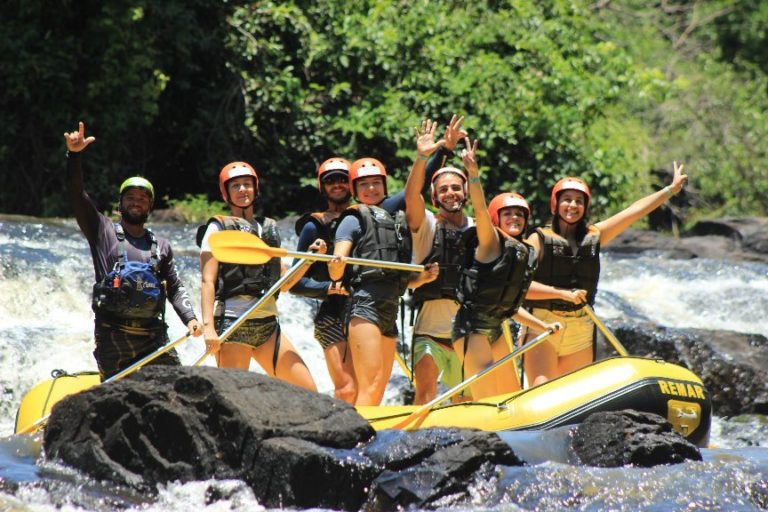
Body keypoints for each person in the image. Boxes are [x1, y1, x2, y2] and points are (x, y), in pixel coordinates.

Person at [523, 163, 689, 385]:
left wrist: (670, 190)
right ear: (555, 204)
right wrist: (561, 294)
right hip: (542, 325)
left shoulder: (595, 235)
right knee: (541, 388)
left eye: (579, 201)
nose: (573, 205)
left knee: (573, 395)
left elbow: (634, 211)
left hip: (581, 326)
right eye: (567, 199)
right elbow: (520, 287)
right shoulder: (538, 240)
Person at [63, 121, 202, 380]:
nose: (136, 203)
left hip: (153, 336)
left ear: (150, 207)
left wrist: (190, 319)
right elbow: (75, 193)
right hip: (113, 336)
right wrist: (74, 155)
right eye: (130, 198)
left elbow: (174, 287)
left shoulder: (161, 246)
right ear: (120, 204)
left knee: (176, 391)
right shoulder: (101, 231)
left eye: (142, 199)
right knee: (116, 403)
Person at [452, 137, 560, 399]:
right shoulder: (490, 242)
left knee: (512, 395)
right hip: (472, 328)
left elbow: (511, 307)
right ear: (497, 219)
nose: (515, 218)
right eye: (508, 214)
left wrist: (541, 326)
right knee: (489, 397)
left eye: (520, 214)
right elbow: (478, 208)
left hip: (496, 328)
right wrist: (473, 175)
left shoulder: (523, 253)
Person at [199, 161, 316, 392]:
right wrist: (208, 328)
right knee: (234, 400)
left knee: (308, 391)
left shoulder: (268, 229)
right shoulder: (217, 229)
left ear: (256, 189)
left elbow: (285, 283)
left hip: (268, 325)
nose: (243, 190)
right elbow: (207, 281)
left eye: (247, 185)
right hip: (233, 324)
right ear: (226, 193)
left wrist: (309, 258)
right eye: (236, 186)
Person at [328, 158, 411, 406]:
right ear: (354, 190)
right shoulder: (352, 218)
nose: (371, 189)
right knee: (370, 384)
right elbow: (336, 270)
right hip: (365, 305)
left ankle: (368, 435)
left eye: (376, 183)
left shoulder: (393, 217)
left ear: (384, 187)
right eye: (364, 184)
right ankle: (359, 442)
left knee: (378, 390)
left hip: (390, 306)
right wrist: (337, 263)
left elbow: (415, 186)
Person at [405, 116, 475, 405]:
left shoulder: (477, 228)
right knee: (425, 397)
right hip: (429, 333)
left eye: (456, 188)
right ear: (434, 197)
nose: (450, 193)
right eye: (443, 189)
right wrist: (423, 158)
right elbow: (411, 197)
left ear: (466, 192)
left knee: (466, 400)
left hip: (466, 333)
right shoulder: (427, 226)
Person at [288, 157, 356, 403]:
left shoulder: (366, 218)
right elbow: (293, 282)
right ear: (322, 187)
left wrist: (437, 153)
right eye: (330, 180)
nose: (337, 185)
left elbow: (405, 197)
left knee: (368, 385)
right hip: (331, 317)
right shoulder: (313, 227)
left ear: (352, 183)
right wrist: (328, 287)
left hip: (366, 312)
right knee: (347, 389)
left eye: (342, 179)